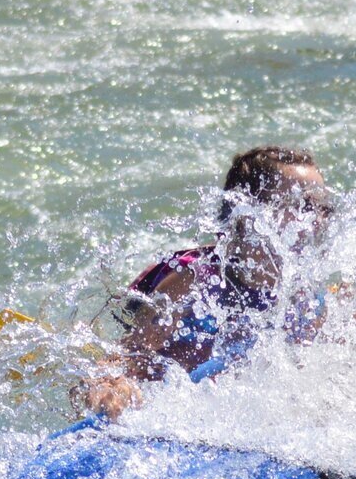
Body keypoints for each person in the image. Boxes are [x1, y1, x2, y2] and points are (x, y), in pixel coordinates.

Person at [77, 145, 339, 417]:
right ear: (249, 212)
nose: (318, 220)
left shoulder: (307, 298)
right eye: (302, 205)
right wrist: (111, 388)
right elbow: (125, 358)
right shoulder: (193, 282)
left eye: (324, 209)